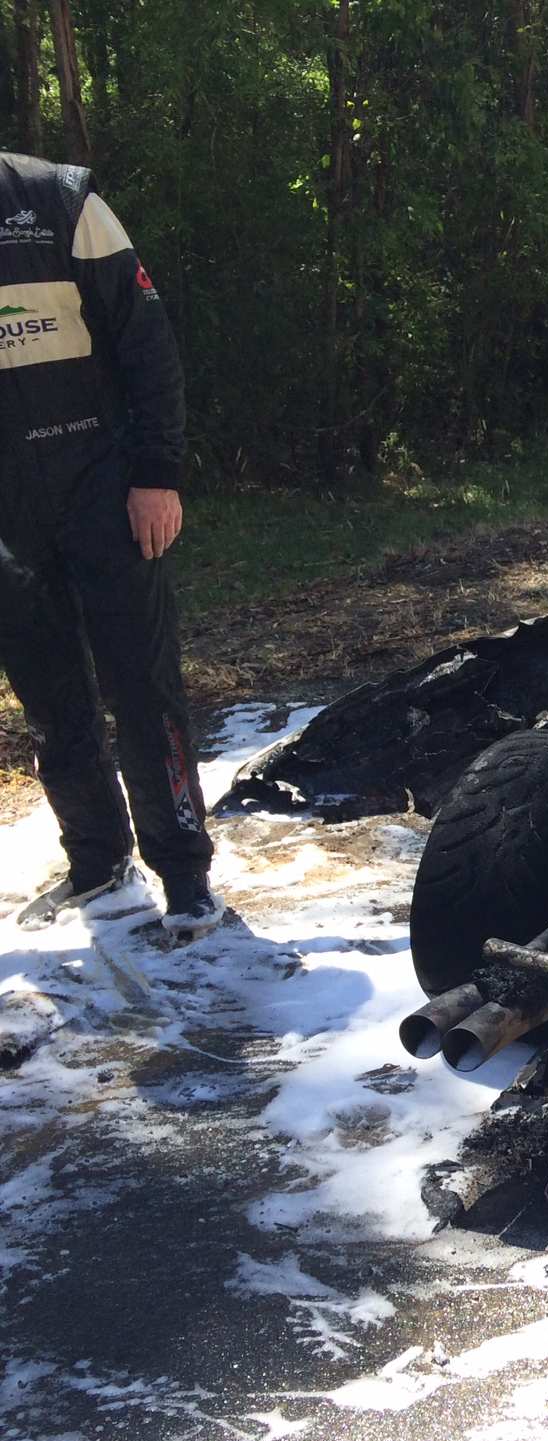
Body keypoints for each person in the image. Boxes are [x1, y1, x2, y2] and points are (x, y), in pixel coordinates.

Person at [0, 151, 223, 939]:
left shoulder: (57, 199)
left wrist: (158, 474)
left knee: (142, 688)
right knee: (52, 702)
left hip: (106, 490)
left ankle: (185, 873)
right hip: (7, 520)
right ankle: (98, 862)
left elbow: (147, 345)